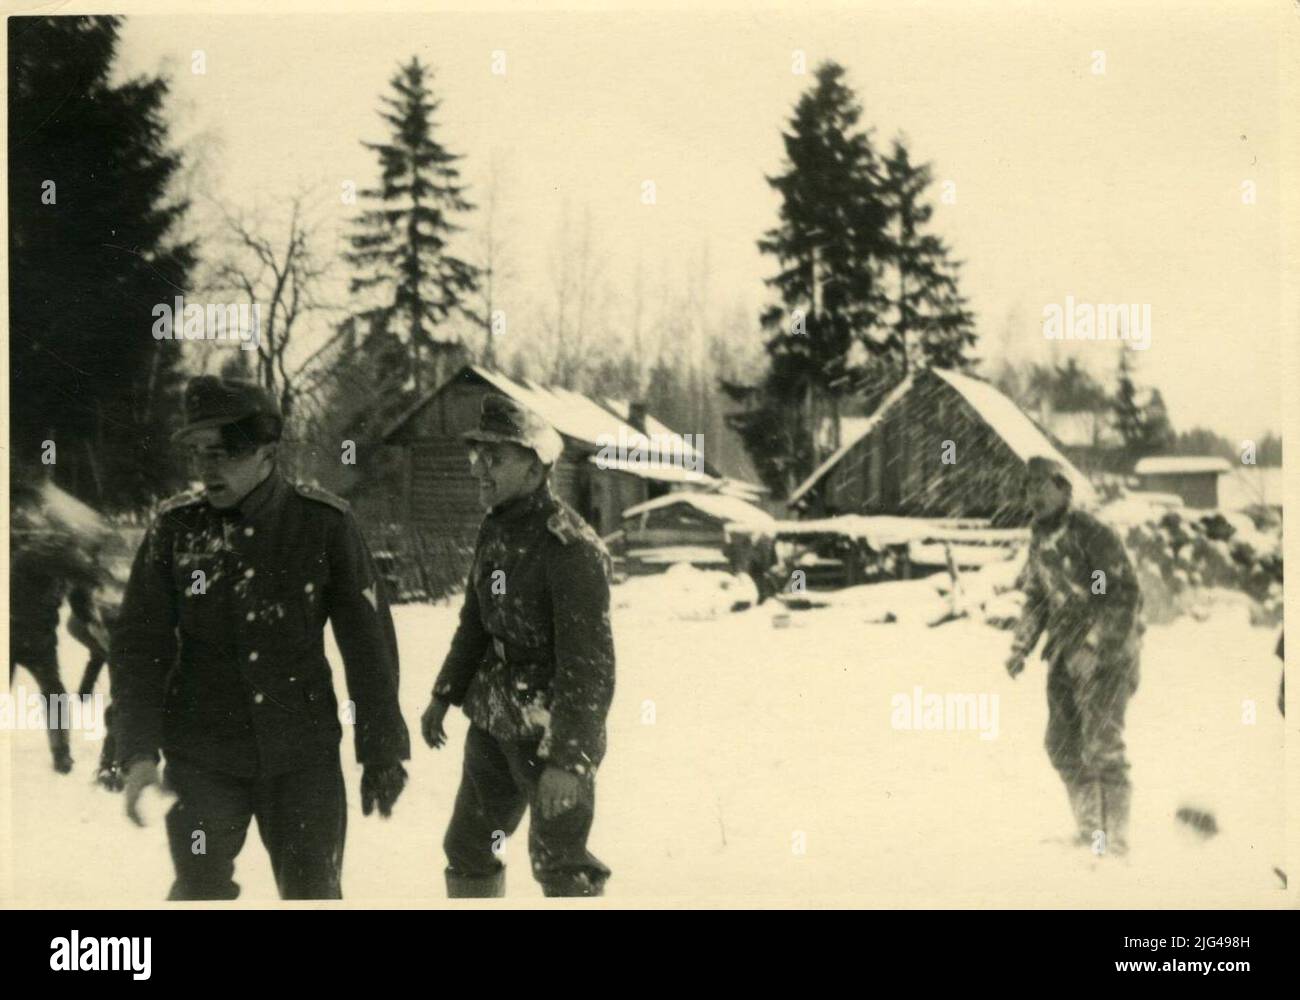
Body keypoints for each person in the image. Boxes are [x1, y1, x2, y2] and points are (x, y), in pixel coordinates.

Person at [112, 376, 410, 900]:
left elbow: (368, 646)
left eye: (224, 453)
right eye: (198, 454)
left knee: (312, 891)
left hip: (302, 757)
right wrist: (137, 751)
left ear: (267, 452)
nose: (207, 468)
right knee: (199, 887)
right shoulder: (175, 530)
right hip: (201, 756)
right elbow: (139, 646)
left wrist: (382, 750)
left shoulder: (322, 526)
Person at [421, 393, 615, 897]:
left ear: (536, 467)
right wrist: (445, 693)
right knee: (467, 847)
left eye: (496, 457)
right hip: (492, 719)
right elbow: (476, 623)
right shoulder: (496, 528)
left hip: (548, 726)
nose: (479, 469)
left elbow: (588, 666)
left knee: (560, 863)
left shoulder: (571, 548)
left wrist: (569, 762)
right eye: (476, 456)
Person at [1006, 456, 1142, 857]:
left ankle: (1115, 843)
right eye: (1027, 486)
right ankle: (1089, 833)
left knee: (1102, 746)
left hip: (1108, 656)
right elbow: (1036, 597)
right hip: (1063, 654)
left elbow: (1120, 593)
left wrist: (1095, 645)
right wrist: (1021, 646)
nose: (1033, 494)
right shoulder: (1040, 536)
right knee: (1062, 744)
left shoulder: (1091, 533)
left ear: (1064, 488)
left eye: (1041, 485)